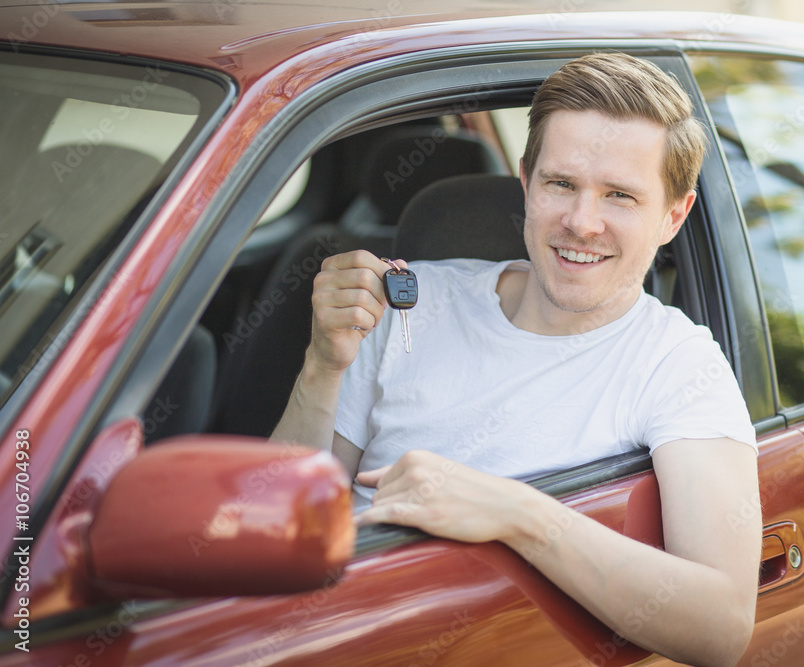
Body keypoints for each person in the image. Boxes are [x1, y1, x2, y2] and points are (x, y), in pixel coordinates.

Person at [272, 52, 761, 666]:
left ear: (673, 216)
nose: (583, 223)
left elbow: (720, 626)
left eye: (619, 196)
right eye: (562, 184)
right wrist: (322, 365)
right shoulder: (406, 301)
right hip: (319, 634)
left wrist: (516, 512)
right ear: (526, 182)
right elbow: (272, 515)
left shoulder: (679, 366)